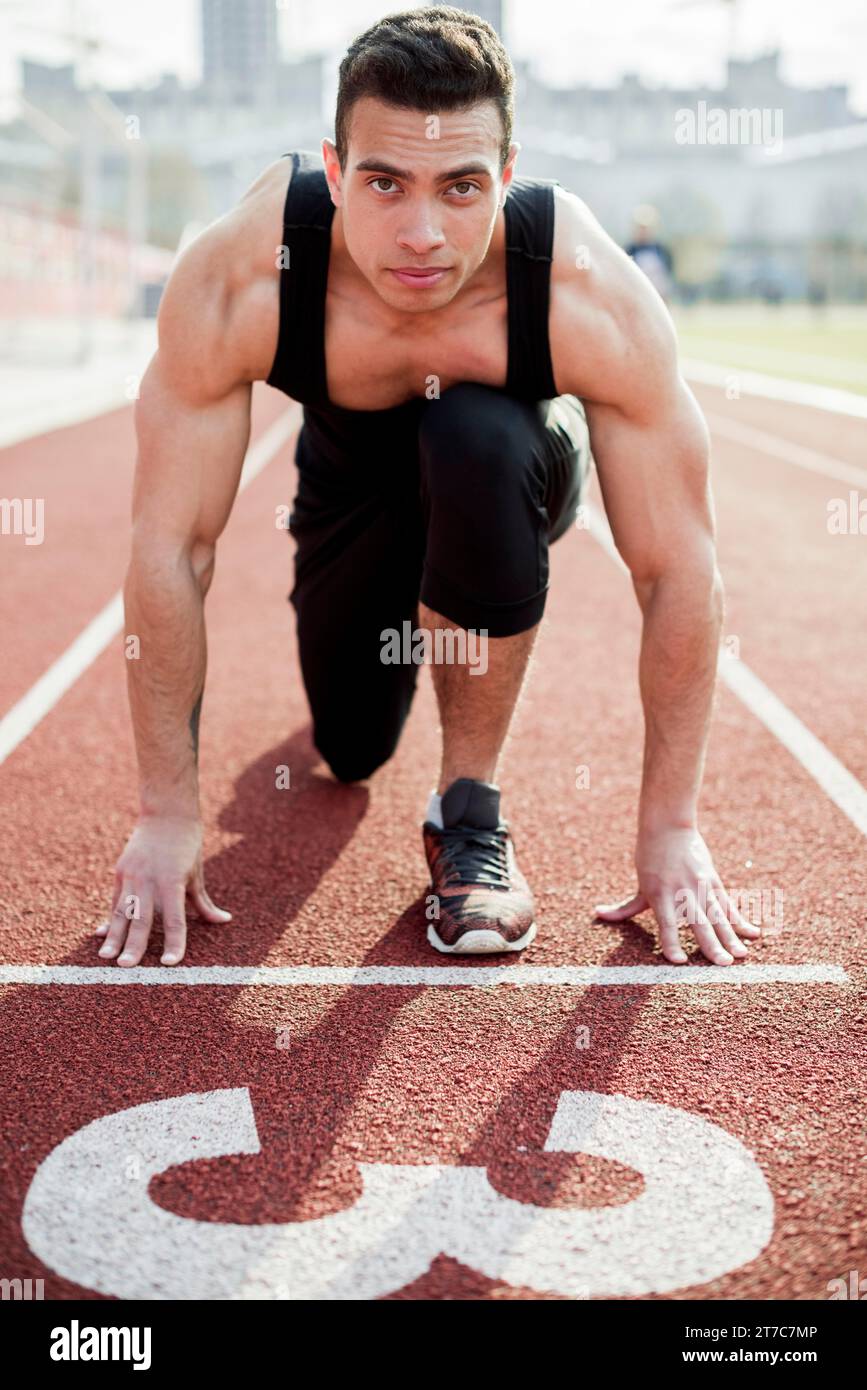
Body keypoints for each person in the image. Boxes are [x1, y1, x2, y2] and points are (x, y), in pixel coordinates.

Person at [96, 5, 761, 967]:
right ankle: (389, 657)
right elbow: (172, 545)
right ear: (332, 172)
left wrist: (670, 830)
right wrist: (165, 812)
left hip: (509, 465)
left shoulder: (583, 293)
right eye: (382, 183)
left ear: (507, 173)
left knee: (477, 435)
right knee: (351, 750)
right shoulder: (242, 278)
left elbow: (678, 569)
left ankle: (468, 812)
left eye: (460, 188)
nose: (420, 233)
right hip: (351, 478)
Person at [625, 205, 674, 306]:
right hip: (638, 297)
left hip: (659, 295)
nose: (643, 231)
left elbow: (668, 274)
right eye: (641, 228)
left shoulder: (661, 250)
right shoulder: (630, 251)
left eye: (646, 228)